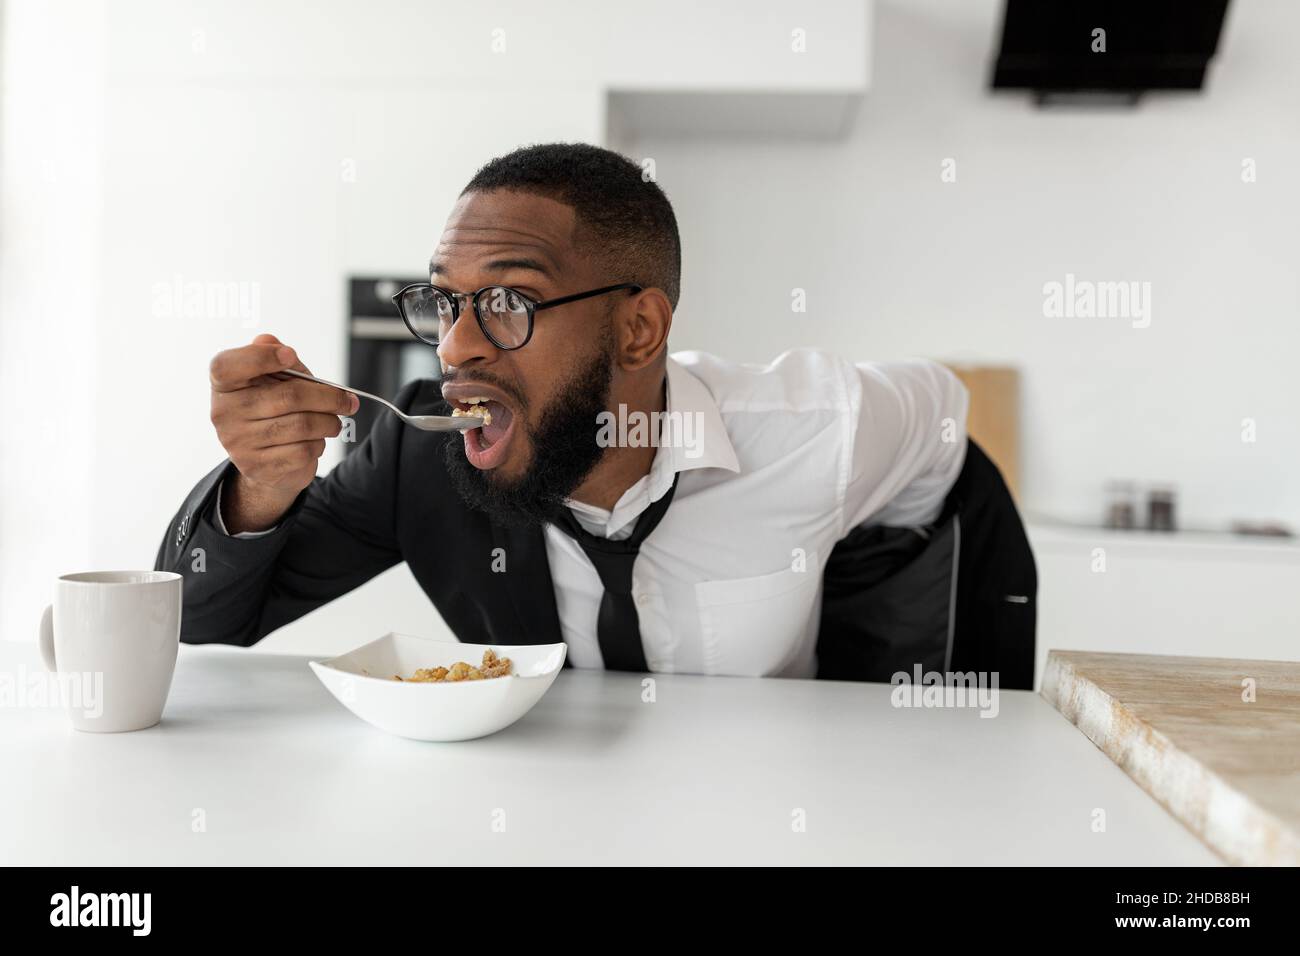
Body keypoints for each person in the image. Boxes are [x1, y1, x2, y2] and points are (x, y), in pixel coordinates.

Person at [156, 142, 1009, 681]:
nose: (455, 348)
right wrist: (259, 489)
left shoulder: (821, 427)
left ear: (638, 328)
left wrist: (879, 595)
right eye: (446, 302)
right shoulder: (418, 453)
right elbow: (203, 622)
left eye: (510, 303)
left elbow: (946, 424)